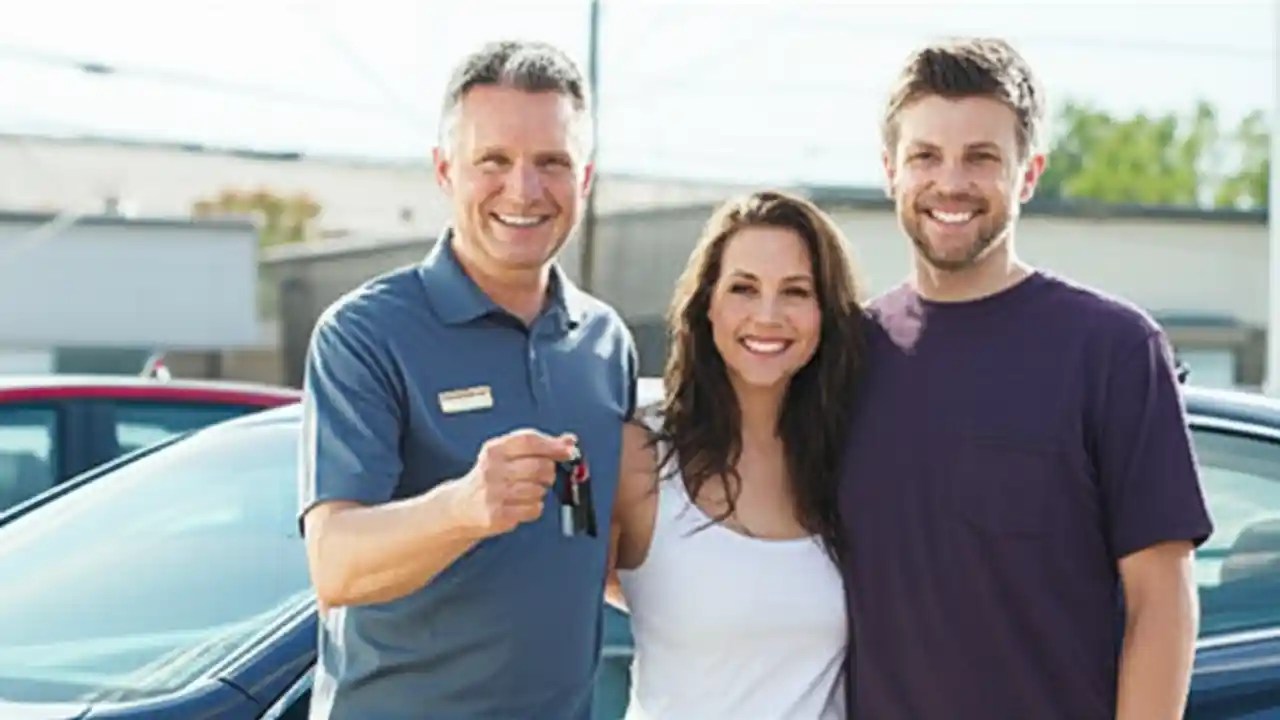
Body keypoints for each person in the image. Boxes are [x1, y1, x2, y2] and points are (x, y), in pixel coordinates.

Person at [838, 37, 1214, 719]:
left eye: (982, 158)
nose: (950, 182)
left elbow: (1162, 602)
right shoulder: (843, 357)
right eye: (926, 156)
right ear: (891, 170)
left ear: (1029, 173)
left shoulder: (1113, 350)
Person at [297, 39, 637, 719]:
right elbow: (334, 567)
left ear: (586, 178)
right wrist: (462, 508)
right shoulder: (364, 334)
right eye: (494, 161)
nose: (524, 190)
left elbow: (589, 546)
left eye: (552, 163)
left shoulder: (605, 344)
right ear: (445, 170)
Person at [608, 190, 865, 719]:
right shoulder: (638, 453)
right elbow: (562, 589)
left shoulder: (853, 458)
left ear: (826, 312)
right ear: (707, 303)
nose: (767, 315)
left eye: (795, 291)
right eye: (743, 288)